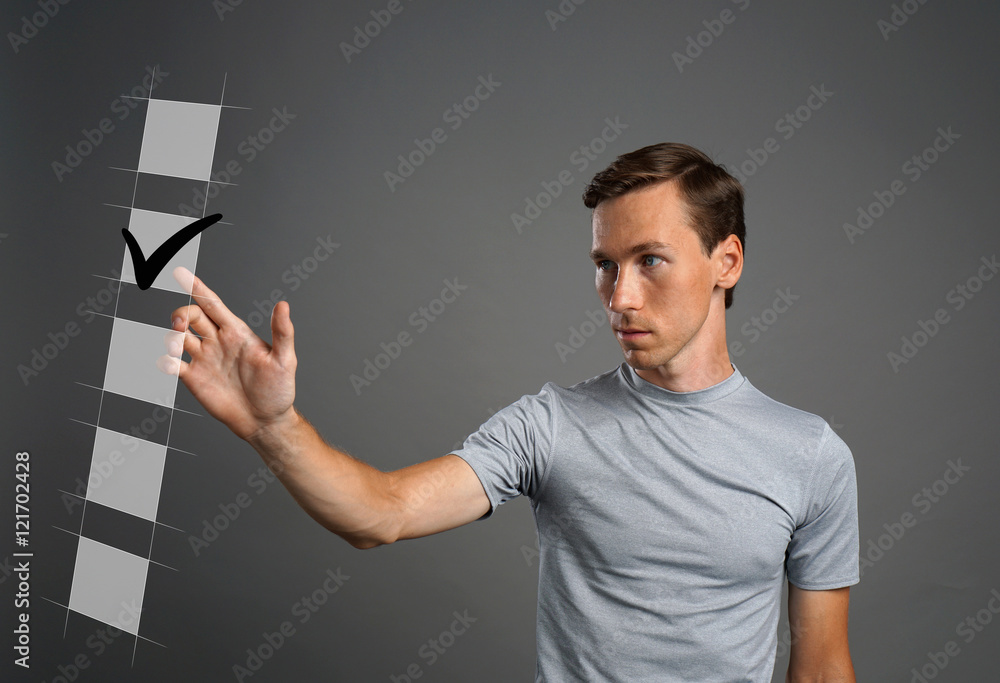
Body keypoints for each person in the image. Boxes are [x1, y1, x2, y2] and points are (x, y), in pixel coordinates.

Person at [161, 142, 859, 682]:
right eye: (605, 265)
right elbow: (381, 513)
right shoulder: (550, 426)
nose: (619, 297)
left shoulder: (810, 454)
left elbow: (822, 667)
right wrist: (271, 426)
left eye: (650, 260)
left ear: (726, 261)